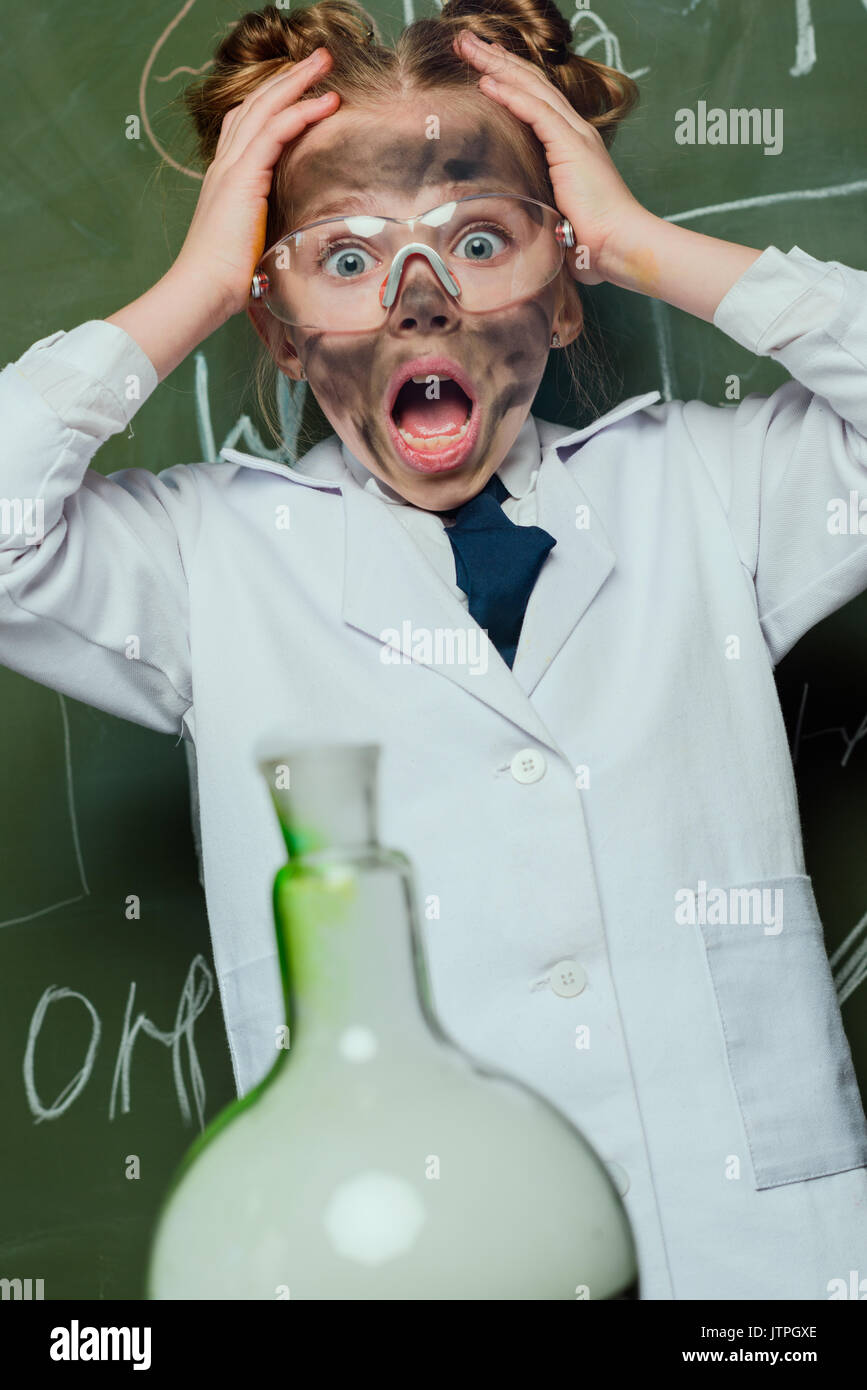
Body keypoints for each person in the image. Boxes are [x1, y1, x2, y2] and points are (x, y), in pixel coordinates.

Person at [1, 0, 866, 1301]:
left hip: (746, 1269)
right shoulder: (206, 565)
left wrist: (632, 238)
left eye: (477, 239)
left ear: (564, 295)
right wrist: (191, 288)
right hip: (408, 1266)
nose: (419, 299)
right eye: (344, 259)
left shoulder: (711, 489)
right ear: (280, 330)